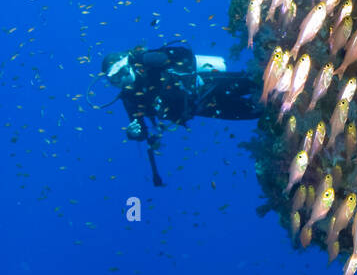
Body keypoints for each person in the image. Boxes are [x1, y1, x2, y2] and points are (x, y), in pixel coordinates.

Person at [100, 45, 259, 185]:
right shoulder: (129, 99)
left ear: (128, 64)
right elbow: (141, 129)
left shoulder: (144, 63)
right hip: (199, 108)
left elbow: (165, 58)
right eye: (115, 80)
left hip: (204, 84)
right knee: (252, 112)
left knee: (256, 84)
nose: (122, 80)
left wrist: (139, 57)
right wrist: (133, 133)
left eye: (121, 72)